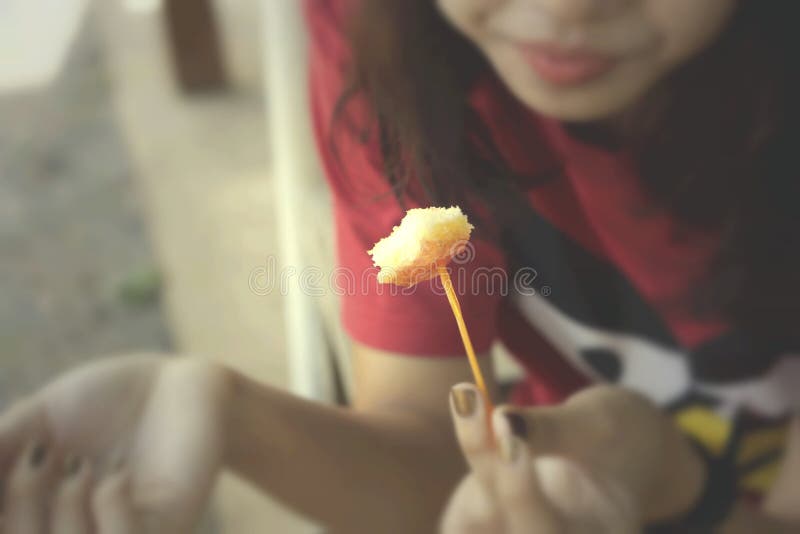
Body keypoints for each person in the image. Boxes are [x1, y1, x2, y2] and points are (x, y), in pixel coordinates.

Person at [1, 0, 799, 532]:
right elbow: (436, 462)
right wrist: (230, 414)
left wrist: (676, 491)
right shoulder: (392, 50)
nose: (565, 8)